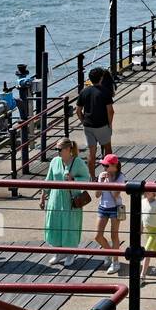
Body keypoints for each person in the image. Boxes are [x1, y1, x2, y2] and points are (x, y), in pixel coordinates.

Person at [40, 138, 90, 267]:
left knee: (69, 226)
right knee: (55, 225)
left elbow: (86, 178)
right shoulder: (55, 161)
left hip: (70, 199)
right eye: (56, 149)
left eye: (59, 149)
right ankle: (58, 252)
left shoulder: (77, 162)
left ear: (68, 149)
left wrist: (73, 179)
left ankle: (70, 253)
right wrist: (43, 196)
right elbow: (48, 180)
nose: (57, 152)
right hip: (55, 199)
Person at [76, 67, 114, 179]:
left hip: (88, 126)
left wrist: (83, 121)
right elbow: (110, 111)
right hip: (102, 125)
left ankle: (92, 177)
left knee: (91, 153)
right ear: (101, 78)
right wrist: (109, 125)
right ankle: (108, 175)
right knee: (108, 150)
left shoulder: (84, 91)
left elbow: (78, 111)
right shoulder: (105, 92)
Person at [93, 153, 126, 275]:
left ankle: (115, 262)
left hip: (115, 208)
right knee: (97, 236)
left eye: (106, 165)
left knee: (114, 236)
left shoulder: (120, 177)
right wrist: (100, 182)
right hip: (103, 207)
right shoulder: (102, 175)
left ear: (114, 165)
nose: (104, 168)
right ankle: (110, 254)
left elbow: (116, 195)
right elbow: (97, 195)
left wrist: (109, 181)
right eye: (103, 165)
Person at [140, 188, 156, 283]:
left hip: (154, 229)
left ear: (154, 192)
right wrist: (141, 227)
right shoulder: (142, 201)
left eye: (149, 191)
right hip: (147, 229)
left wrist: (153, 220)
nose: (147, 192)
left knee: (147, 250)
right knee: (155, 248)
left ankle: (142, 276)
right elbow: (142, 216)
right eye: (146, 190)